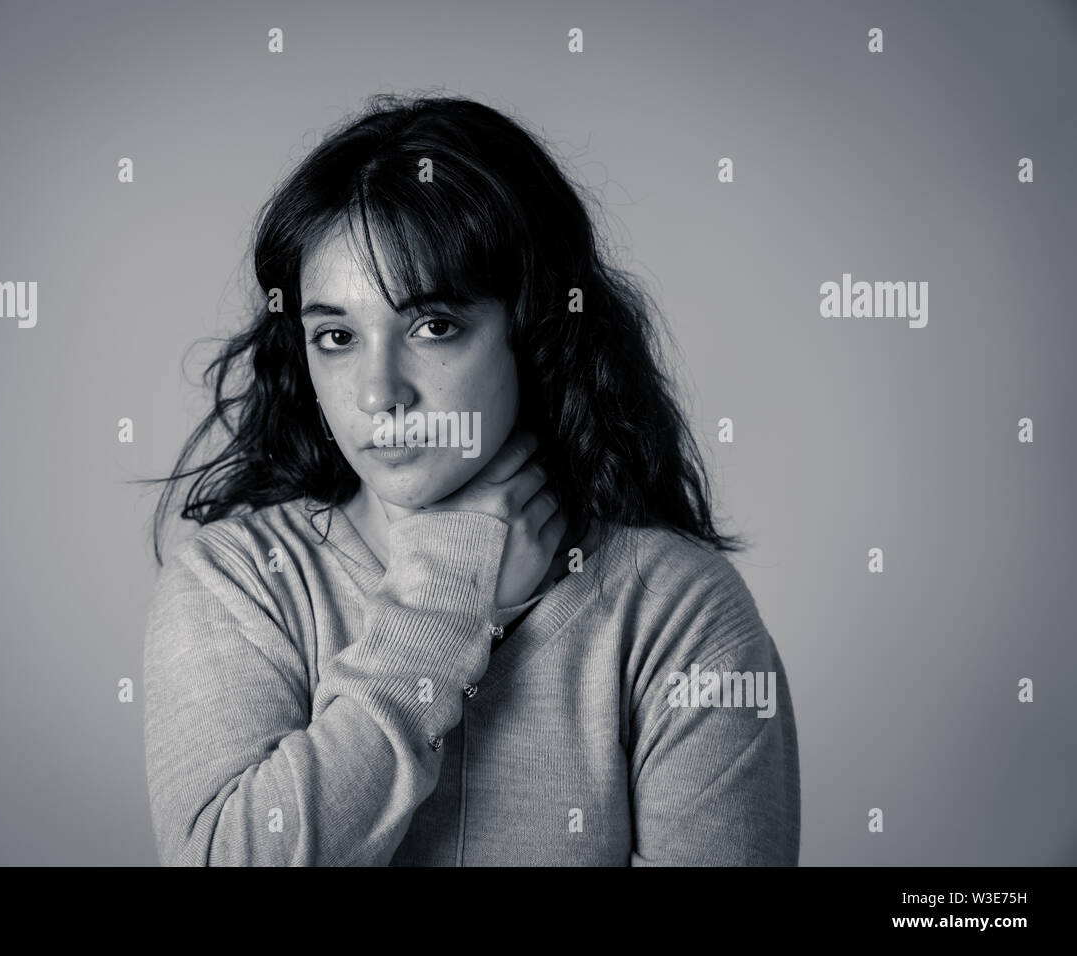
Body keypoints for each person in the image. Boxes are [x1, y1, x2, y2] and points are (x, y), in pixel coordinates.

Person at [139, 93, 800, 866]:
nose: (379, 394)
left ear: (533, 329)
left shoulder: (678, 610)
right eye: (337, 336)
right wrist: (447, 596)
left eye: (433, 326)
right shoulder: (236, 582)